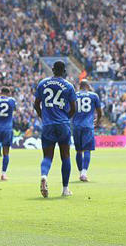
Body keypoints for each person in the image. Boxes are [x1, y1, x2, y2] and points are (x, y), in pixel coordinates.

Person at [34, 61, 76, 197]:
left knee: (47, 156)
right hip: (63, 124)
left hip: (47, 125)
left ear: (52, 69)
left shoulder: (42, 84)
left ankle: (44, 176)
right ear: (64, 71)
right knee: (65, 156)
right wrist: (65, 118)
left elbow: (36, 104)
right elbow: (74, 108)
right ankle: (65, 189)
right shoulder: (69, 86)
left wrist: (42, 116)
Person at [72, 80, 102, 182]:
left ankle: (80, 172)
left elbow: (69, 110)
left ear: (79, 86)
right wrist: (97, 121)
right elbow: (99, 111)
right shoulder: (94, 96)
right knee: (87, 150)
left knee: (78, 151)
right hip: (88, 126)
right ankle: (84, 173)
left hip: (76, 126)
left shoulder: (74, 95)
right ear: (87, 86)